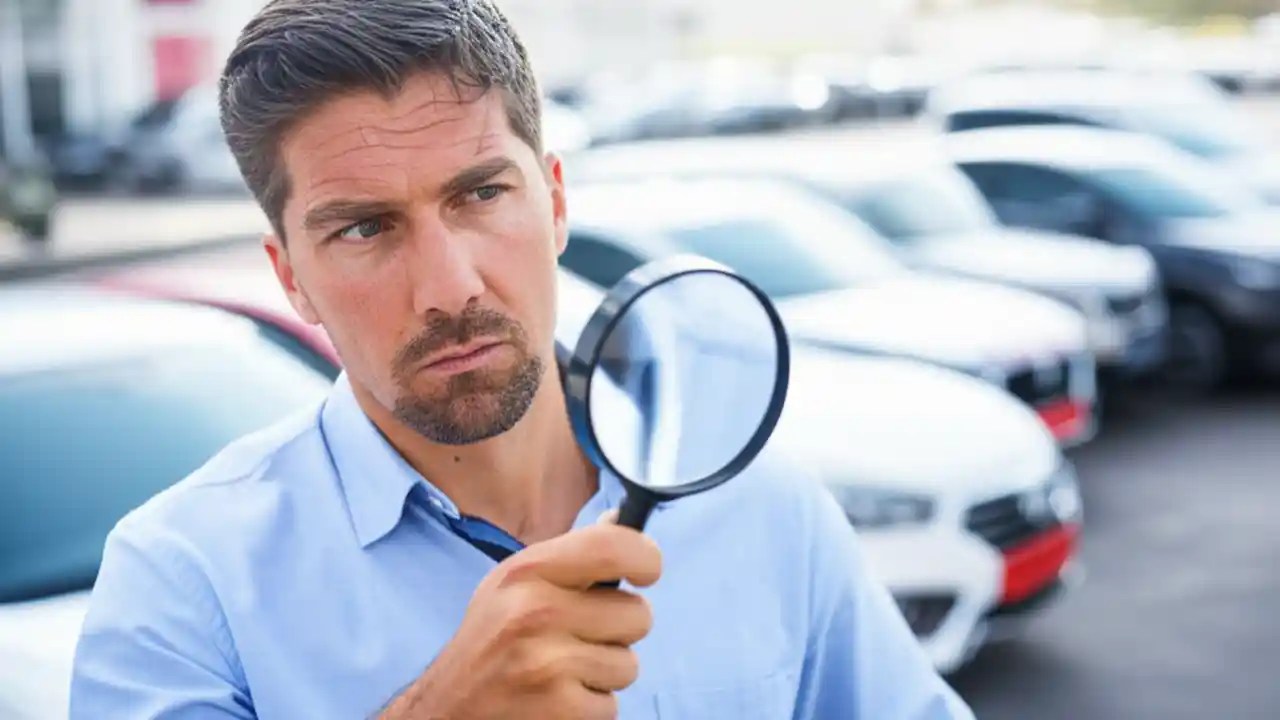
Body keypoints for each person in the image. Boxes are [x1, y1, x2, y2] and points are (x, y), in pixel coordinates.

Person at [69, 1, 976, 718]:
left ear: (555, 202)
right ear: (291, 278)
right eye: (365, 228)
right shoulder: (182, 588)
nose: (448, 286)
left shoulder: (768, 510)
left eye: (480, 194)